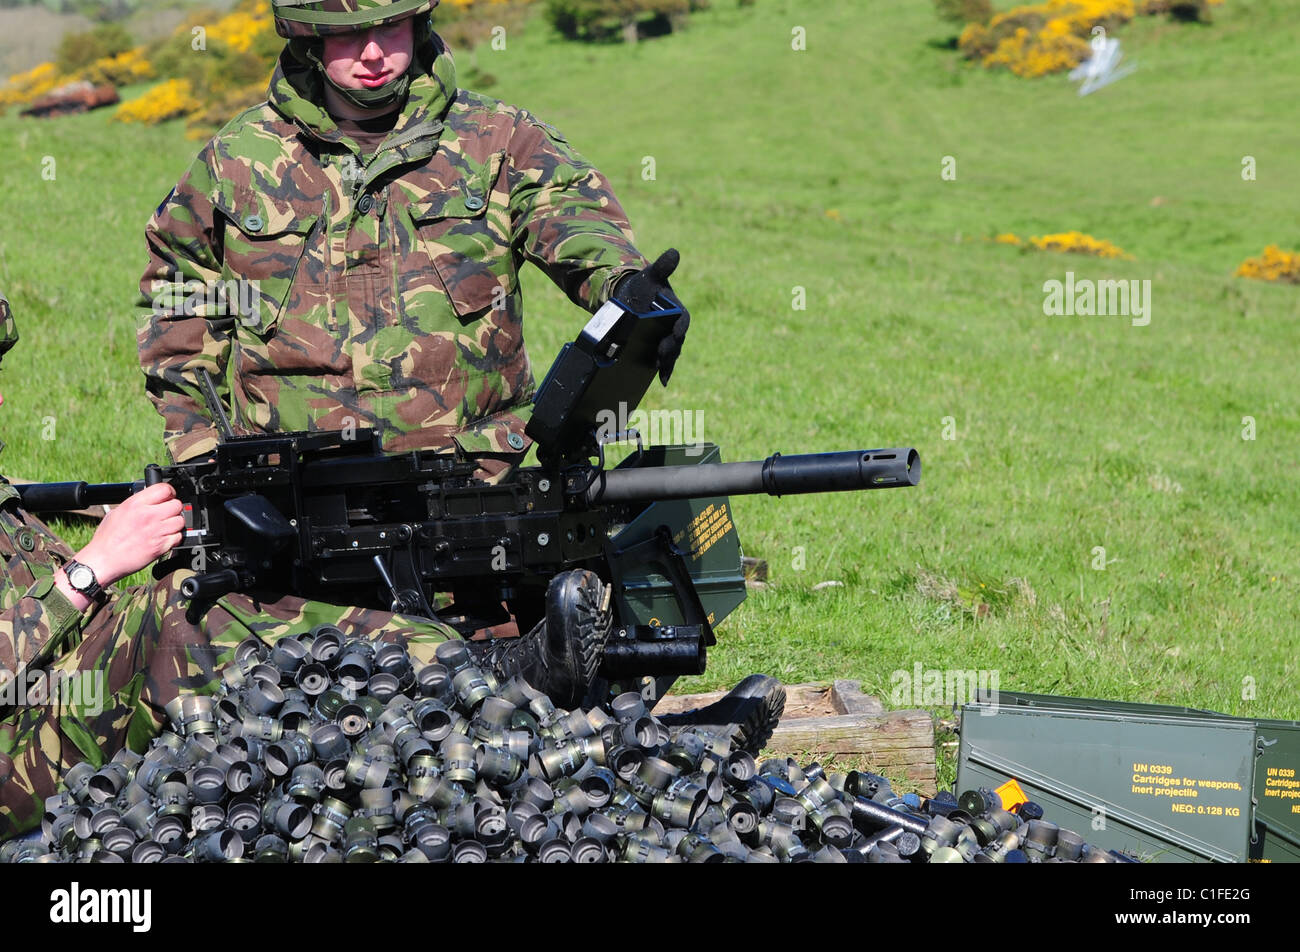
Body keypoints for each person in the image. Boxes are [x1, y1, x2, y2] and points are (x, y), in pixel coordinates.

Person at [138, 0, 689, 482]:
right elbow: (178, 303)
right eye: (351, 34)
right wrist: (201, 455)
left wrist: (626, 286)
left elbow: (573, 217)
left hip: (480, 480)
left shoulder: (497, 140)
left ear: (419, 23)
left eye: (392, 28)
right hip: (292, 495)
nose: (374, 53)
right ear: (310, 38)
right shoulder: (234, 161)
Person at [0, 286, 474, 836]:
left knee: (193, 594)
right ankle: (453, 670)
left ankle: (414, 691)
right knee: (179, 611)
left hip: (40, 713)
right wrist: (91, 568)